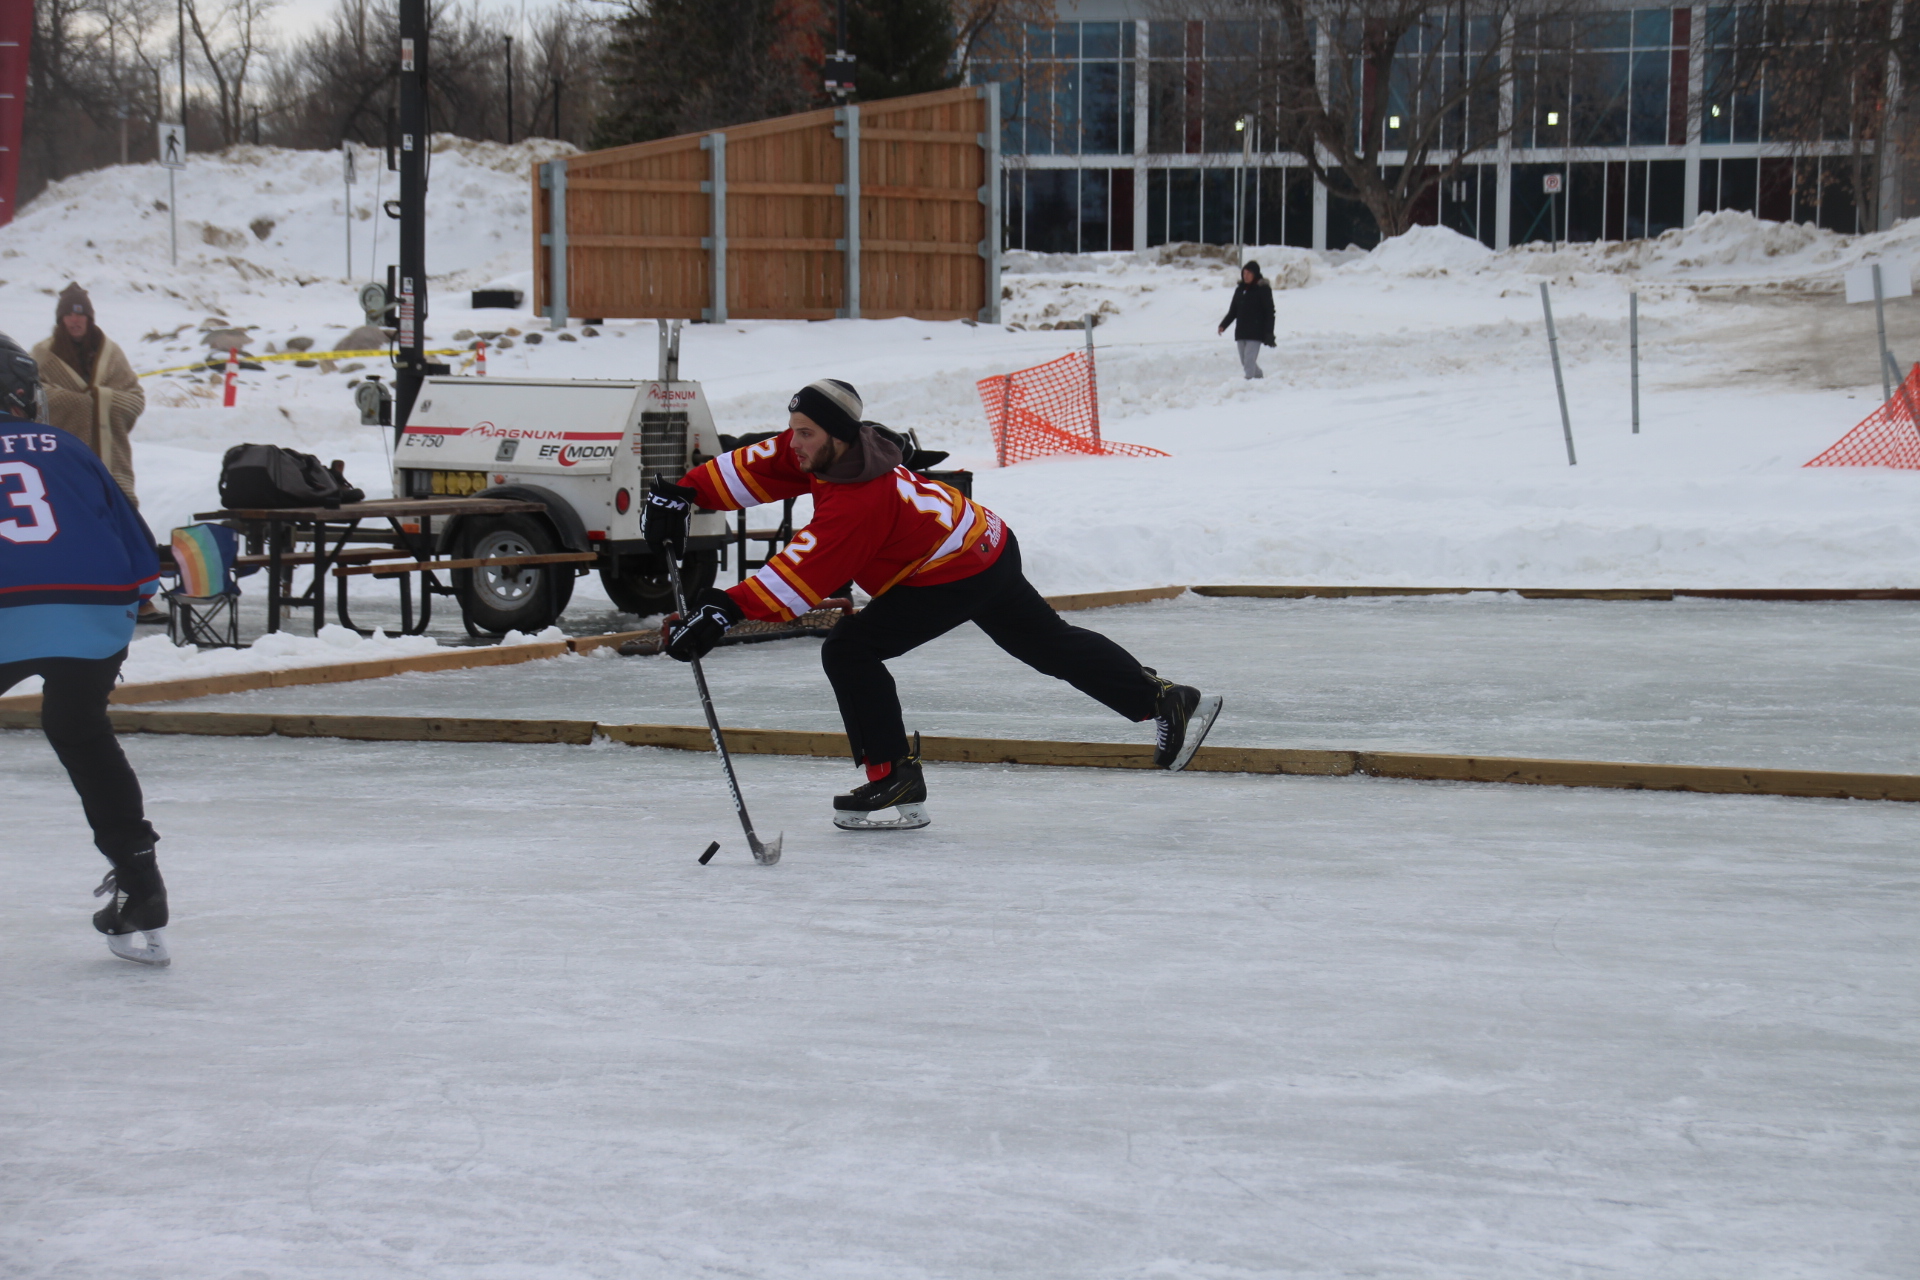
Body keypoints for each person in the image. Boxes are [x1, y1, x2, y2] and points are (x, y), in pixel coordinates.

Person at [642, 378, 1223, 831]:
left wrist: (721, 610)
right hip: (981, 543)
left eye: (806, 434)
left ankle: (892, 777)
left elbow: (803, 576)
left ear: (839, 436)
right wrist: (688, 492)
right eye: (793, 429)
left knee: (850, 649)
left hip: (954, 571)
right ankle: (1163, 699)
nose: (795, 443)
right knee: (1047, 643)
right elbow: (760, 464)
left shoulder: (857, 504)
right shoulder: (825, 446)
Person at [0, 331, 171, 965]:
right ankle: (141, 885)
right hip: (97, 611)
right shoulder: (68, 448)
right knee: (79, 729)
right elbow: (138, 555)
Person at [32, 283, 160, 622]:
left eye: (80, 315)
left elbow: (134, 396)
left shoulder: (111, 353)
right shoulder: (42, 355)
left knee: (122, 524)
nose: (75, 321)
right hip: (65, 465)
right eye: (68, 315)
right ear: (60, 320)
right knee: (71, 526)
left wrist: (99, 401)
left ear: (89, 318)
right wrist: (82, 402)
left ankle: (137, 597)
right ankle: (77, 599)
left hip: (111, 458)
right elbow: (36, 397)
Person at [1216, 261, 1276, 380]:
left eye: (1249, 273)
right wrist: (1223, 325)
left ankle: (1248, 383)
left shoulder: (1263, 289)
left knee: (1249, 359)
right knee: (1245, 360)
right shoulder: (1240, 290)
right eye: (1244, 273)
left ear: (1255, 274)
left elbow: (1270, 312)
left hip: (1256, 331)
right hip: (1241, 331)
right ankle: (1258, 375)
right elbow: (1233, 311)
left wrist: (1269, 332)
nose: (1246, 275)